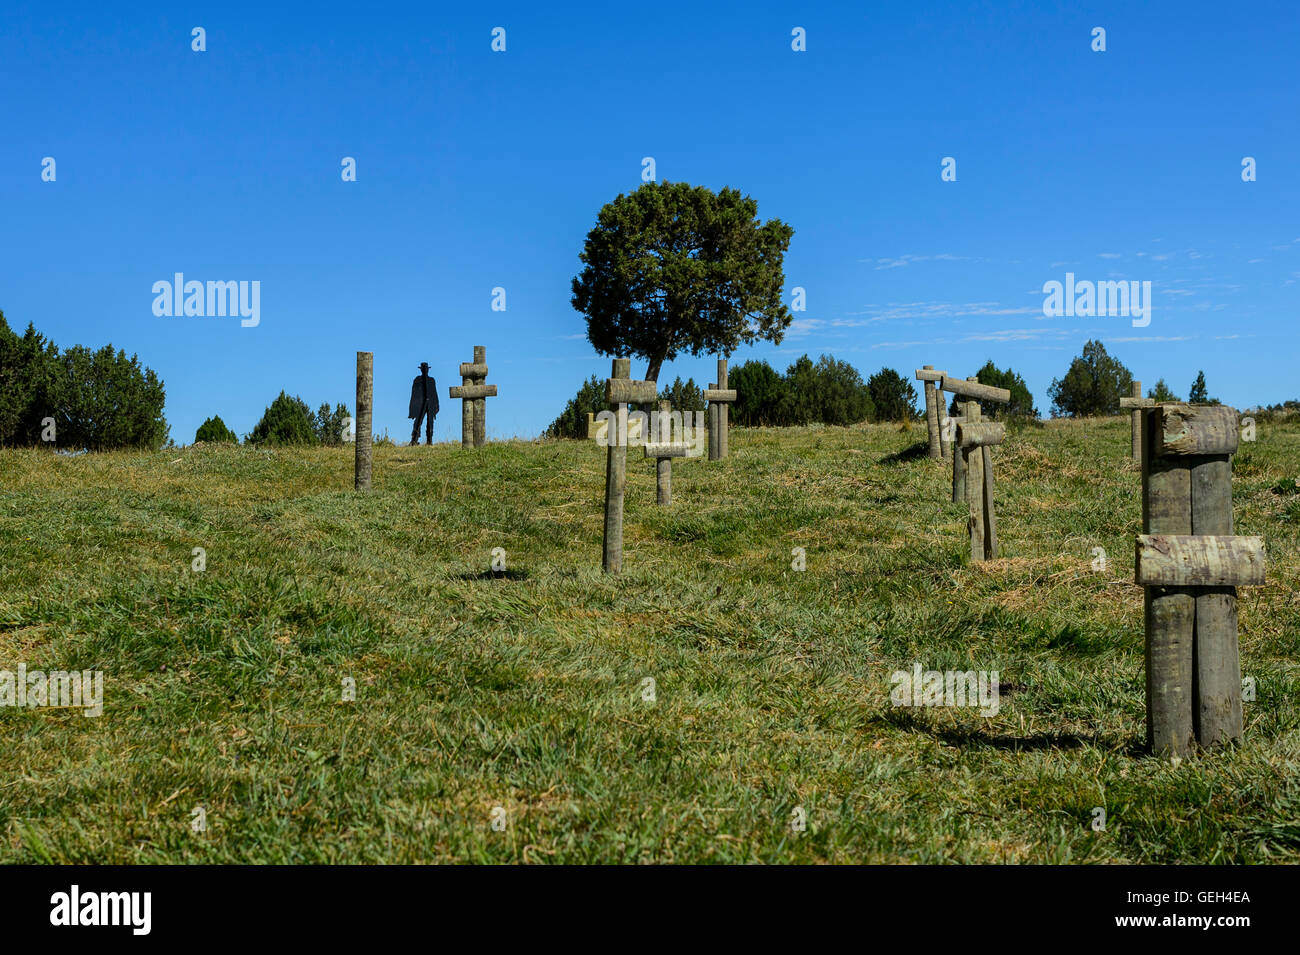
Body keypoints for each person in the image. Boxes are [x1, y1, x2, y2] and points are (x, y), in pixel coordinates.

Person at [408, 362, 439, 444]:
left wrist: (436, 405)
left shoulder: (431, 380)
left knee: (430, 422)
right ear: (421, 370)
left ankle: (429, 441)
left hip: (430, 404)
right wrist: (412, 408)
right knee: (418, 422)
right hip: (419, 404)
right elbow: (413, 394)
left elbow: (434, 393)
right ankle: (414, 440)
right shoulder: (417, 380)